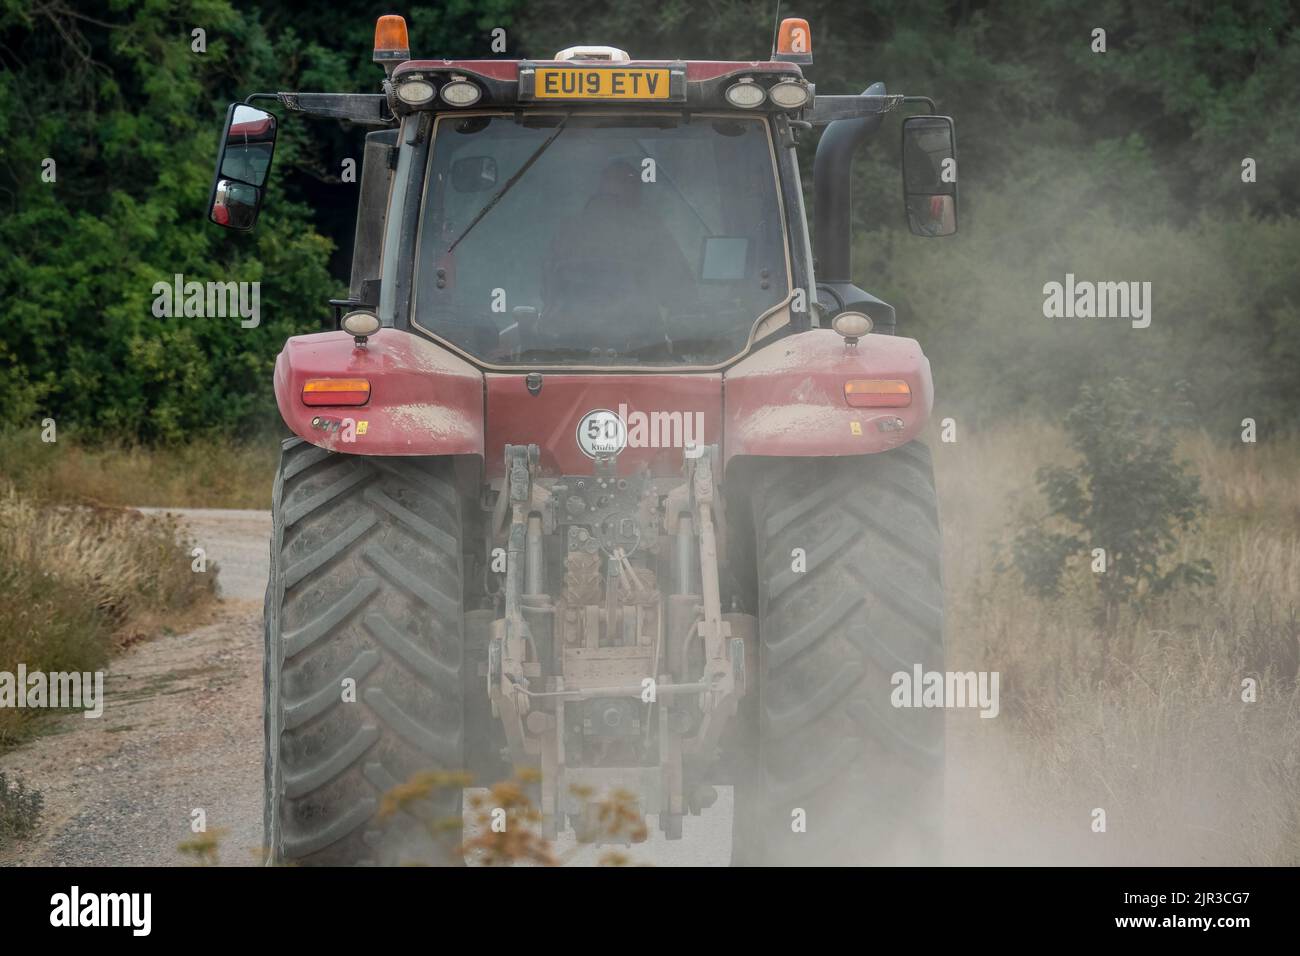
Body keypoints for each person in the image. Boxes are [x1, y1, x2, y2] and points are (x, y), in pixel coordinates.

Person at [539, 158, 695, 350]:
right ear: (633, 191)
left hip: (564, 349)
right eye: (637, 188)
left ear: (600, 188)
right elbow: (680, 293)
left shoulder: (566, 231)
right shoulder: (650, 231)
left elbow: (546, 290)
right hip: (641, 349)